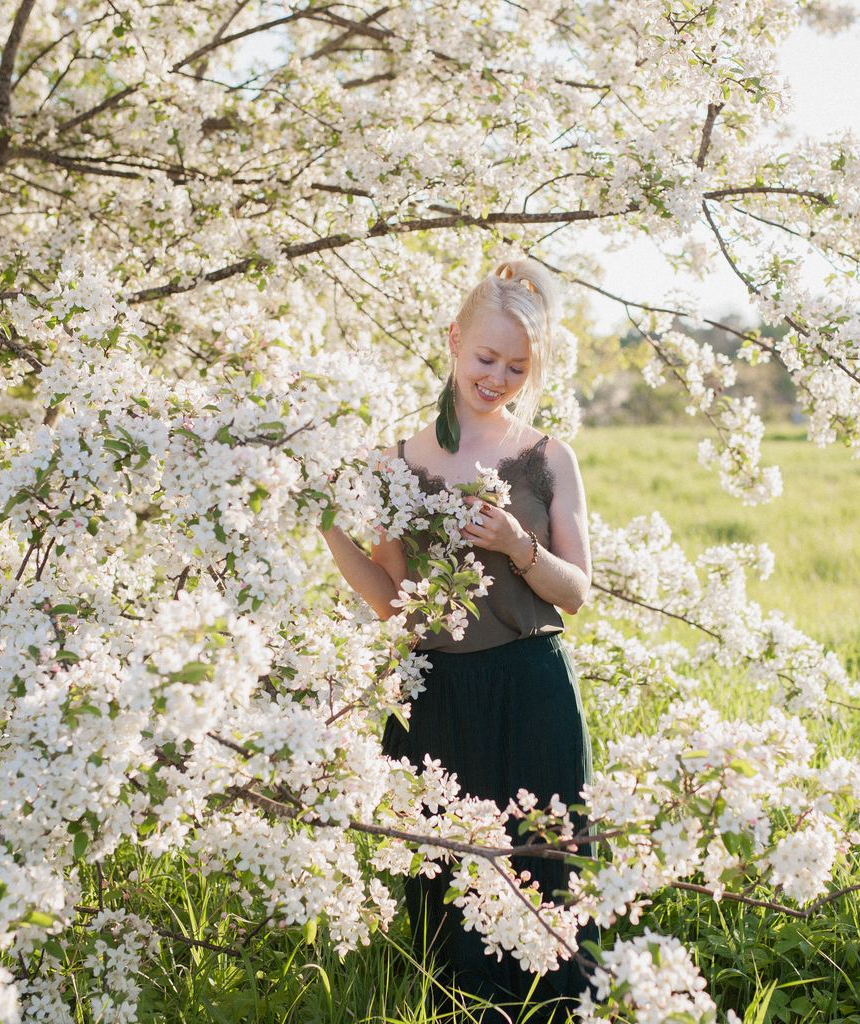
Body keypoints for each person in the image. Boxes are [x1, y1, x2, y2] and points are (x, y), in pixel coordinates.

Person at [322, 257, 599, 1021]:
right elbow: (396, 607)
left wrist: (518, 546)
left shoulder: (547, 458)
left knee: (547, 873)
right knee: (448, 889)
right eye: (486, 358)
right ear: (452, 341)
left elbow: (576, 594)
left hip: (532, 689)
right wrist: (330, 532)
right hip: (437, 700)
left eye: (517, 366)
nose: (498, 376)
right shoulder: (397, 465)